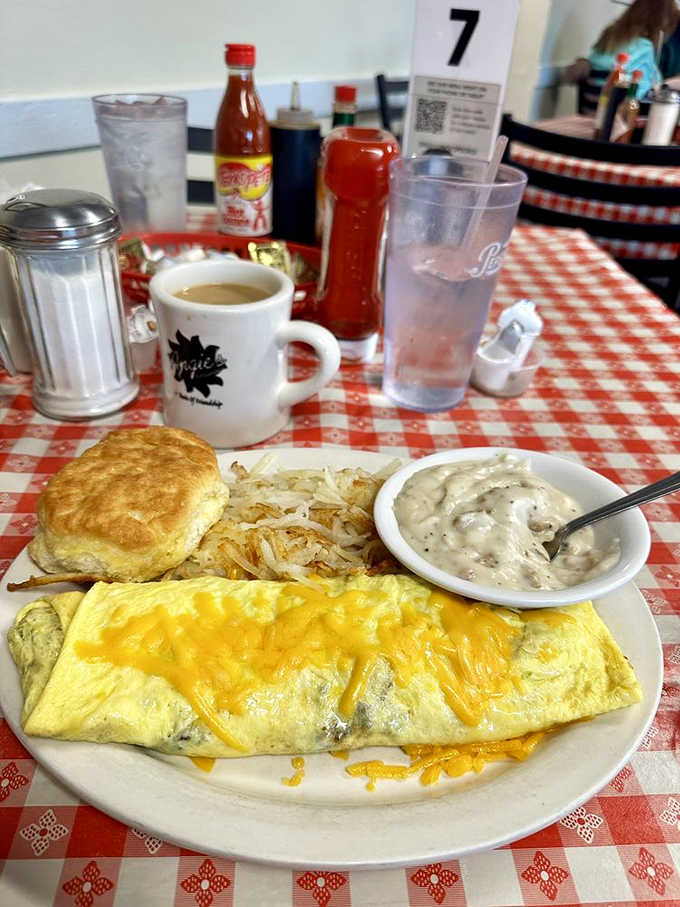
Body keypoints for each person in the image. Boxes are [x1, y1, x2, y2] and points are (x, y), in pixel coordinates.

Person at [564, 0, 680, 98]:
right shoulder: (644, 47)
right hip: (621, 117)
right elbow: (641, 94)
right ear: (662, 25)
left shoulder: (608, 37)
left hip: (589, 113)